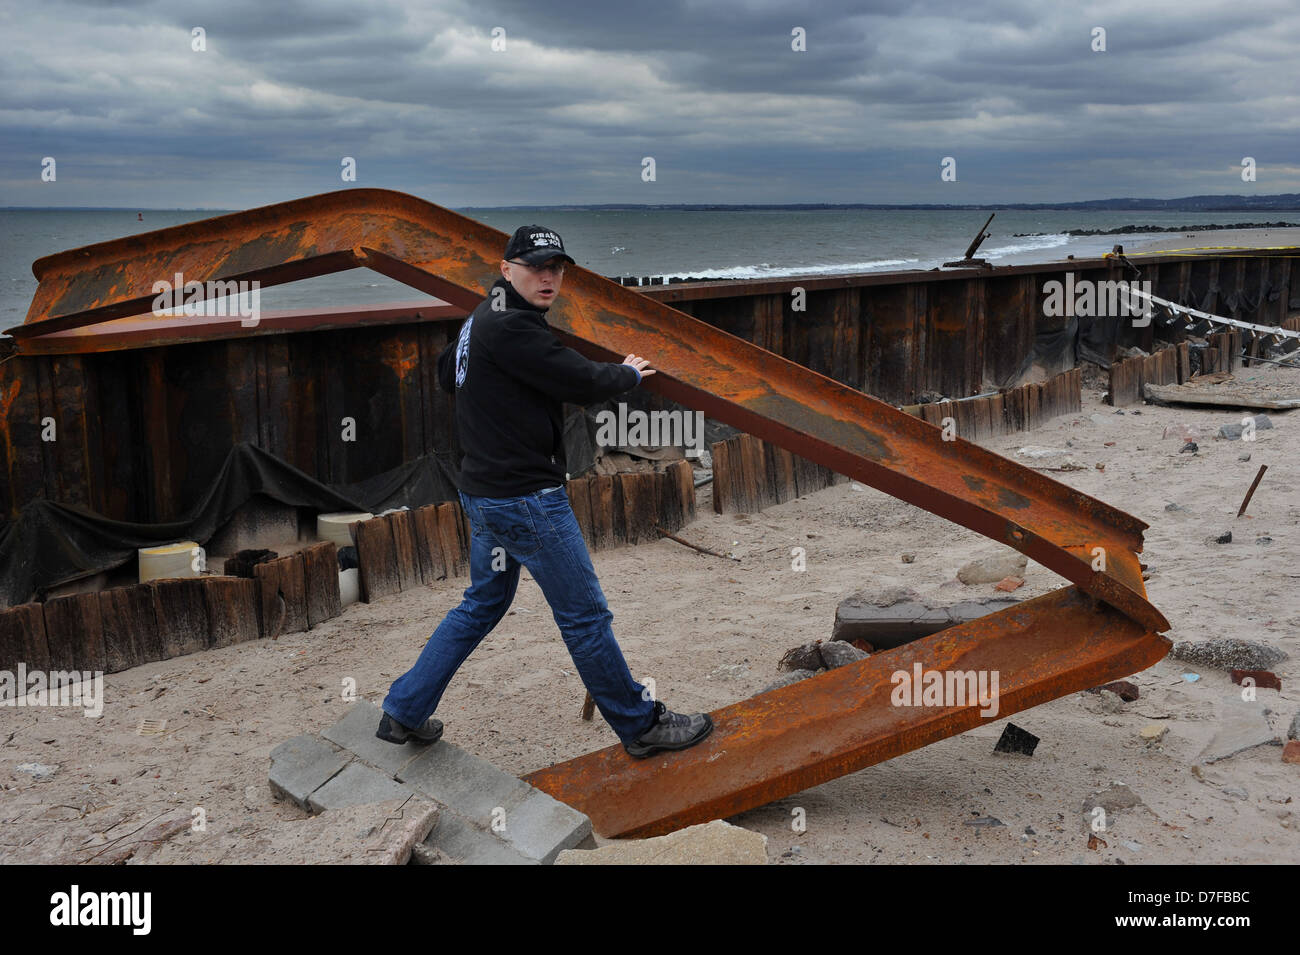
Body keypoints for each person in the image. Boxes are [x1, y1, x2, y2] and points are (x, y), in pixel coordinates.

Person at [377, 225, 714, 759]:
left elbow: (447, 374)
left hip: (485, 496)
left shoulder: (481, 318)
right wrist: (625, 375)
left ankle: (403, 710)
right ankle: (641, 724)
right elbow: (577, 379)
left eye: (556, 267)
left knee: (481, 604)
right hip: (527, 500)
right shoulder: (512, 326)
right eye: (536, 266)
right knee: (585, 617)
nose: (549, 277)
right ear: (507, 268)